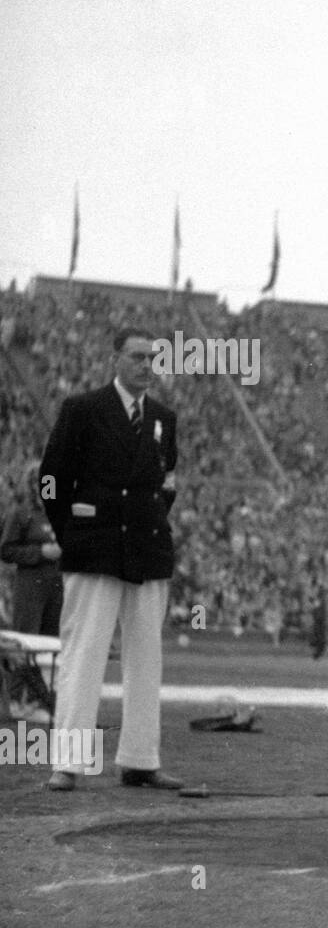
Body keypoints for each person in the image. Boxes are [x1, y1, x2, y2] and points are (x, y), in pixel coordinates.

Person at [39, 327, 183, 791]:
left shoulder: (164, 418)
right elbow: (51, 480)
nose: (146, 365)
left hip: (146, 549)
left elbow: (166, 486)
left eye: (153, 357)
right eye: (137, 356)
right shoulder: (82, 410)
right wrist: (74, 531)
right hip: (94, 547)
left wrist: (150, 522)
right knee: (83, 656)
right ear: (116, 358)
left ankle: (140, 759)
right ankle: (68, 762)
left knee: (146, 658)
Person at [1, 459, 63, 712]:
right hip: (31, 585)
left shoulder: (59, 513)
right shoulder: (22, 513)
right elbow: (6, 550)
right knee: (25, 640)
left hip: (57, 584)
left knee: (51, 642)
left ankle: (44, 698)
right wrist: (39, 553)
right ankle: (17, 698)